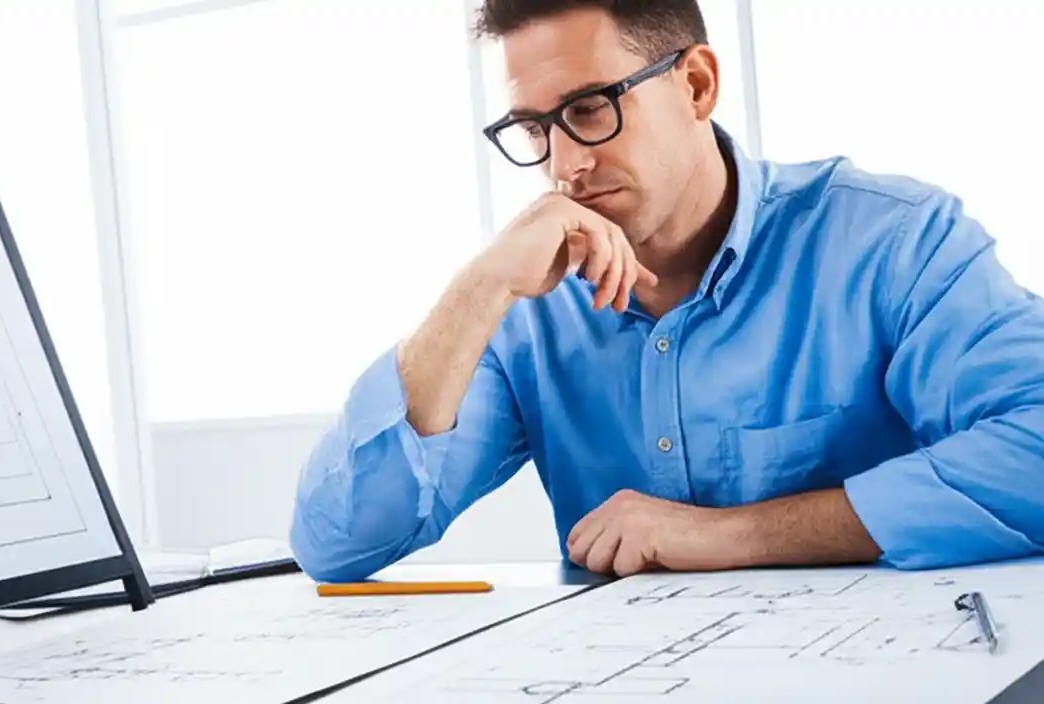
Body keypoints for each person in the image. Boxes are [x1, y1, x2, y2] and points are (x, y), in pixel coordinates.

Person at [288, 0, 1044, 582]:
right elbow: (338, 542)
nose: (564, 166)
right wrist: (478, 285)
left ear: (696, 84)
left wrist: (735, 534)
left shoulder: (889, 242)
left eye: (588, 111)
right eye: (533, 130)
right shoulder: (528, 309)